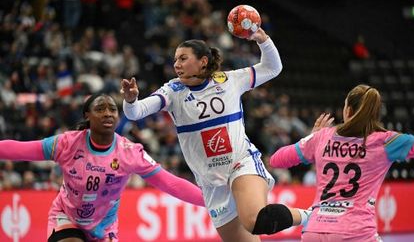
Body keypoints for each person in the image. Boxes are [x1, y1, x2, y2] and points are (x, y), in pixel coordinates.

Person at [120, 28, 310, 242]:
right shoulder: (172, 91)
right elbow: (135, 112)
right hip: (211, 183)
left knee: (255, 220)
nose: (176, 64)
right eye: (175, 60)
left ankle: (311, 216)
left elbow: (273, 68)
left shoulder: (229, 81)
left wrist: (263, 40)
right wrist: (130, 99)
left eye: (183, 58)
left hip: (240, 163)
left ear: (202, 61)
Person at [0, 93, 205, 242]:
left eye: (112, 109)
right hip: (67, 217)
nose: (108, 113)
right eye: (100, 109)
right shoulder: (66, 144)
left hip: (104, 228)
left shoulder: (129, 152)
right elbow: (19, 149)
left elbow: (170, 183)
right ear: (87, 116)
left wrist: (209, 201)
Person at [270, 84, 414, 242]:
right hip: (355, 232)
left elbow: (276, 160)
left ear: (347, 110)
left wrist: (311, 138)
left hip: (314, 231)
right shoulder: (385, 142)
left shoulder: (322, 137)